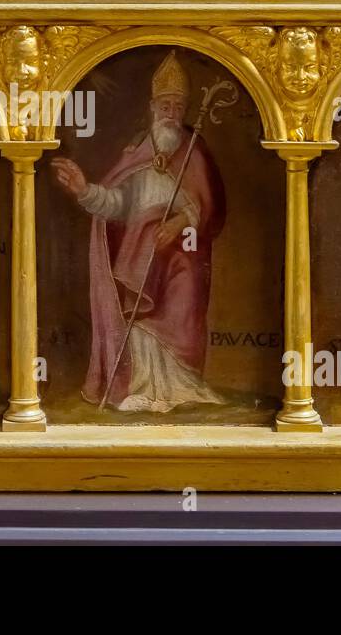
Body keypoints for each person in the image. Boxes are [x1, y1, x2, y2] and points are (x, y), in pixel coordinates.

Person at [53, 52, 226, 412]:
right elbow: (117, 203)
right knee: (139, 320)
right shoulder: (137, 151)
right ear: (152, 107)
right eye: (166, 104)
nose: (172, 112)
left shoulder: (194, 151)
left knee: (180, 316)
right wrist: (85, 190)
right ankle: (142, 387)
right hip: (138, 253)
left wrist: (178, 223)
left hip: (182, 255)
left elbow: (211, 207)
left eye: (179, 106)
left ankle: (178, 389)